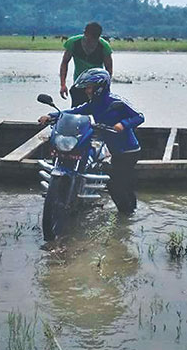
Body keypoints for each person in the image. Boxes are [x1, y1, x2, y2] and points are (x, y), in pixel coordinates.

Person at [39, 68, 143, 214]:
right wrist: (51, 116)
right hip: (114, 149)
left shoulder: (116, 101)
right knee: (121, 183)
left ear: (100, 87)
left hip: (128, 151)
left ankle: (127, 213)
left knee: (116, 185)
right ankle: (128, 218)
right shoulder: (94, 103)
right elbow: (74, 111)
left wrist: (123, 124)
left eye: (89, 87)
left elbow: (139, 116)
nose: (87, 90)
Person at [59, 22, 113, 107]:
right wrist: (63, 85)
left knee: (97, 110)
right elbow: (64, 63)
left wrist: (106, 89)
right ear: (85, 33)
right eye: (89, 39)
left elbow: (109, 70)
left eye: (95, 40)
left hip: (96, 86)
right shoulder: (73, 43)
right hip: (79, 84)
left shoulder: (104, 47)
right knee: (77, 110)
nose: (91, 42)